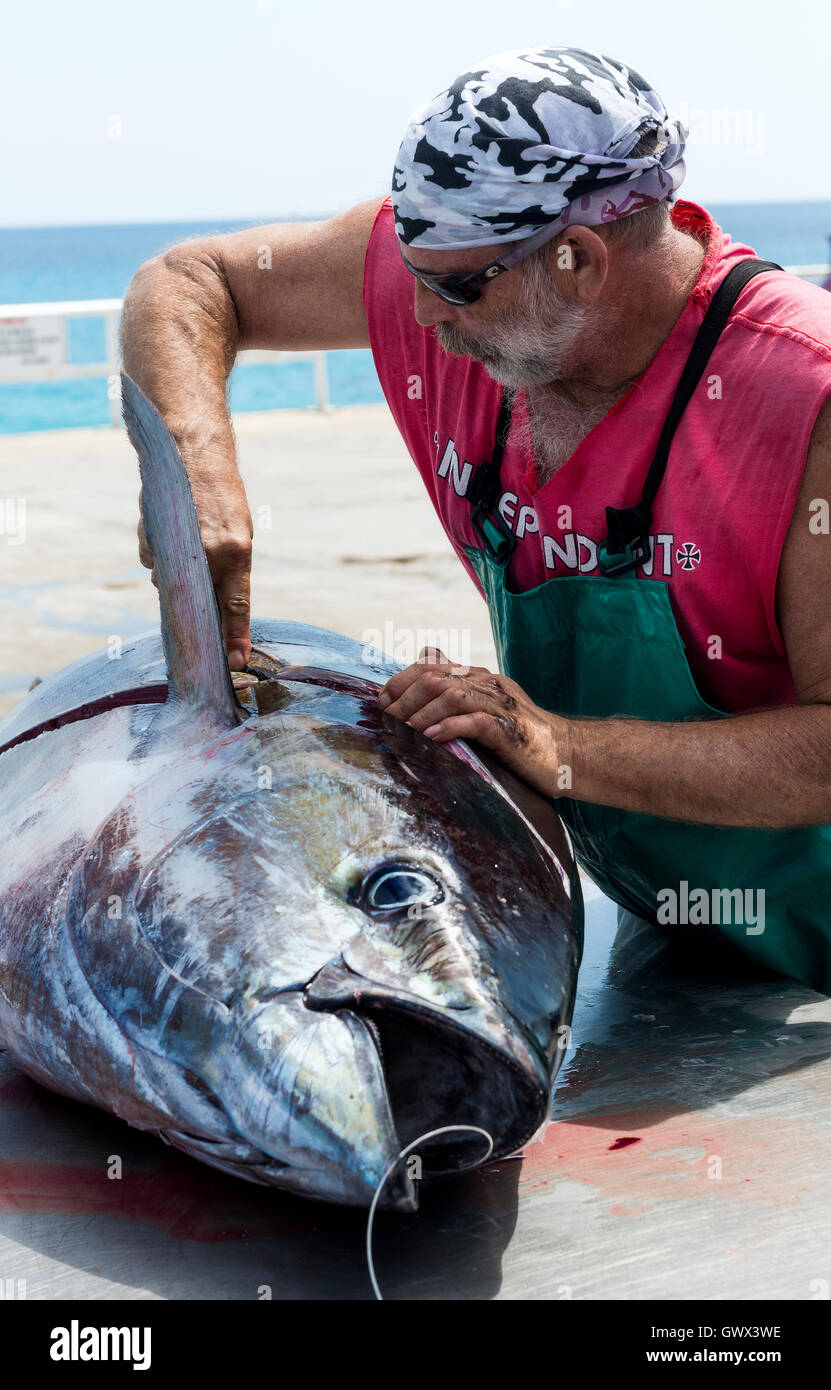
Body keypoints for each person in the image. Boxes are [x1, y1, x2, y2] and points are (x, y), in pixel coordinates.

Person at [121, 47, 831, 992]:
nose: (418, 313)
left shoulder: (801, 394)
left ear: (577, 259)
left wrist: (559, 748)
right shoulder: (462, 266)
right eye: (411, 272)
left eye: (455, 288)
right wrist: (198, 466)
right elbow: (187, 280)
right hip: (677, 919)